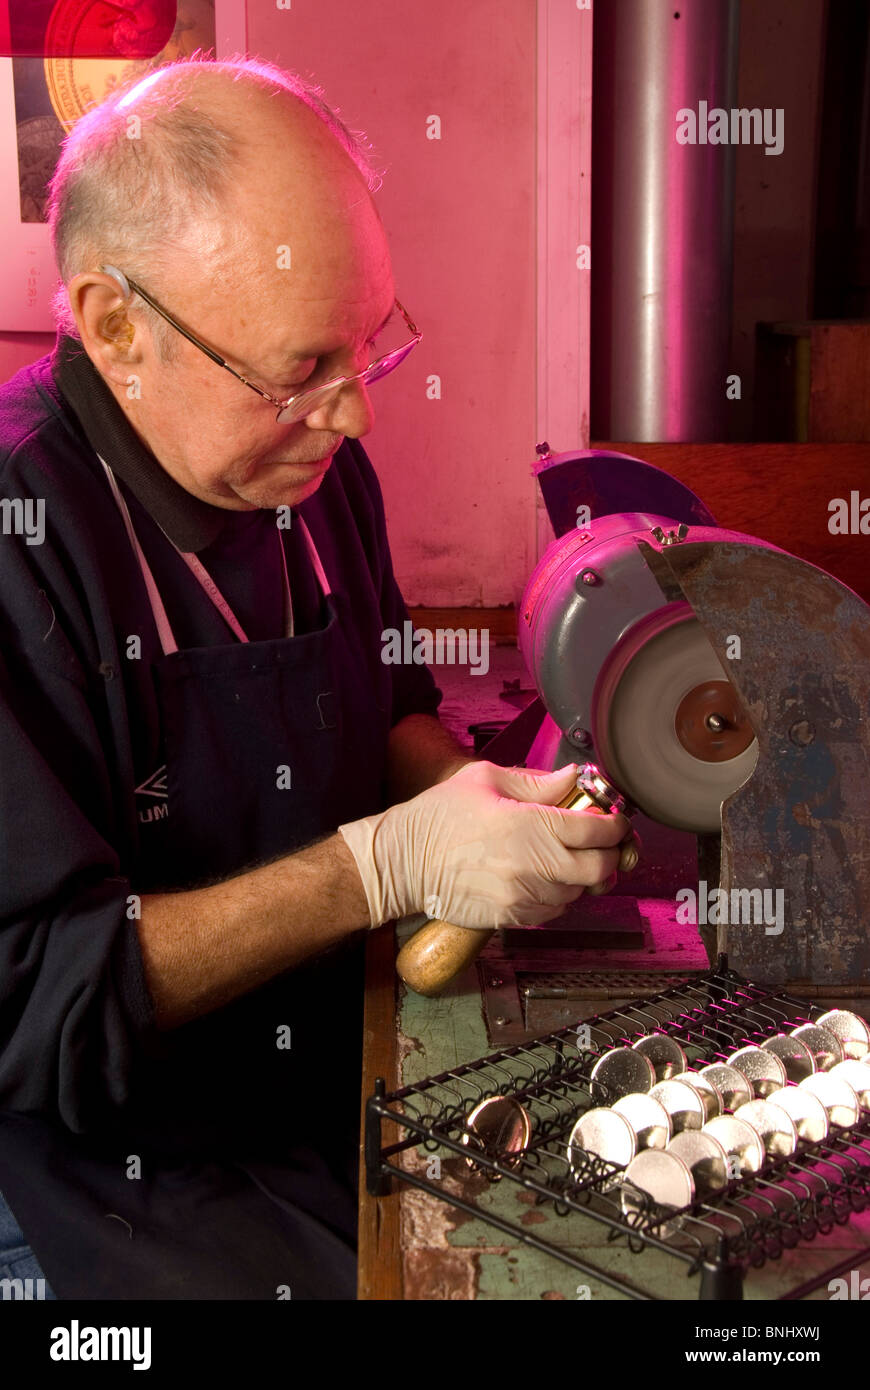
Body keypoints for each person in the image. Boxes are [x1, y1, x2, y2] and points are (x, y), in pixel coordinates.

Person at [0, 56, 634, 1301]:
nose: (355, 417)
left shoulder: (309, 462)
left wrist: (475, 805)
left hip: (338, 1047)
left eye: (368, 349)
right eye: (299, 372)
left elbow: (389, 697)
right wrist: (389, 865)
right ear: (120, 326)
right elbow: (46, 1004)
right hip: (137, 1154)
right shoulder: (23, 539)